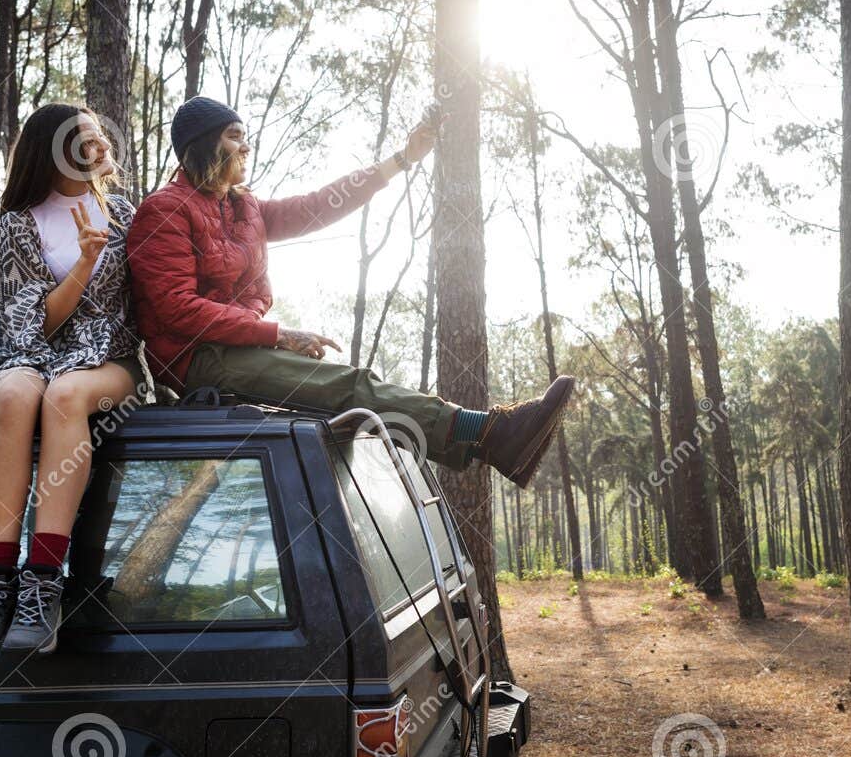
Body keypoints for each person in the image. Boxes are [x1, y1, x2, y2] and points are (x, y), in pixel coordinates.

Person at [129, 95, 573, 486]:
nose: (246, 145)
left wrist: (402, 158)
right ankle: (489, 432)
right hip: (197, 358)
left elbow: (318, 206)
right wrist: (278, 335)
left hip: (239, 343)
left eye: (245, 135)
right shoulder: (164, 210)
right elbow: (176, 309)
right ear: (205, 143)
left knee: (345, 409)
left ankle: (484, 446)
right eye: (234, 135)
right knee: (348, 386)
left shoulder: (244, 206)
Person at [0, 104, 146, 655]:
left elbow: (154, 300)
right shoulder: (17, 223)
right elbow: (33, 322)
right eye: (86, 140)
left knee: (65, 394)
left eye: (101, 136)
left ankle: (43, 582)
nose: (102, 146)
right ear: (52, 151)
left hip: (108, 359)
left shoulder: (125, 214)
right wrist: (82, 264)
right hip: (28, 350)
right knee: (10, 395)